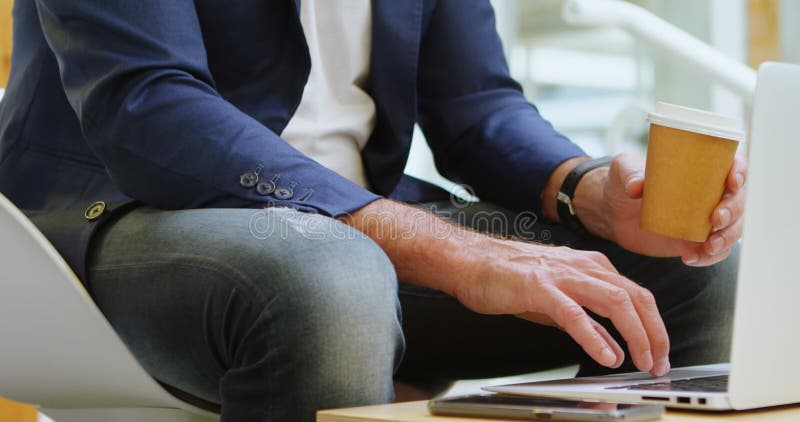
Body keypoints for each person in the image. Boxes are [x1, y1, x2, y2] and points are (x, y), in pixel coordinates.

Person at [0, 1, 745, 421]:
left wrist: (584, 189)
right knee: (331, 276)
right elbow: (148, 106)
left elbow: (472, 102)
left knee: (677, 264)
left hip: (351, 233)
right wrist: (453, 252)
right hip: (113, 214)